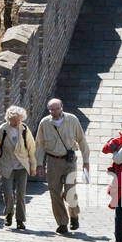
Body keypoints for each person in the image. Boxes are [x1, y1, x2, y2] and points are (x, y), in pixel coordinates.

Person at [35, 98, 90, 234]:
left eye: (57, 108)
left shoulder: (72, 120)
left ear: (62, 107)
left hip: (69, 161)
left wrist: (86, 161)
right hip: (53, 161)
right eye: (52, 109)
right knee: (55, 193)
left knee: (70, 192)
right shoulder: (45, 123)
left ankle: (74, 215)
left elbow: (82, 140)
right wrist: (39, 164)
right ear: (49, 110)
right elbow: (40, 144)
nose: (55, 111)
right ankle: (62, 222)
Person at [0, 105, 37, 230]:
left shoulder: (24, 129)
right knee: (8, 192)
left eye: (19, 120)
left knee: (21, 193)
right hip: (7, 164)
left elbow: (31, 148)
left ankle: (20, 220)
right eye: (14, 120)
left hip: (22, 165)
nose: (16, 122)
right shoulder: (3, 129)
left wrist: (33, 166)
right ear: (8, 118)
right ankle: (9, 214)